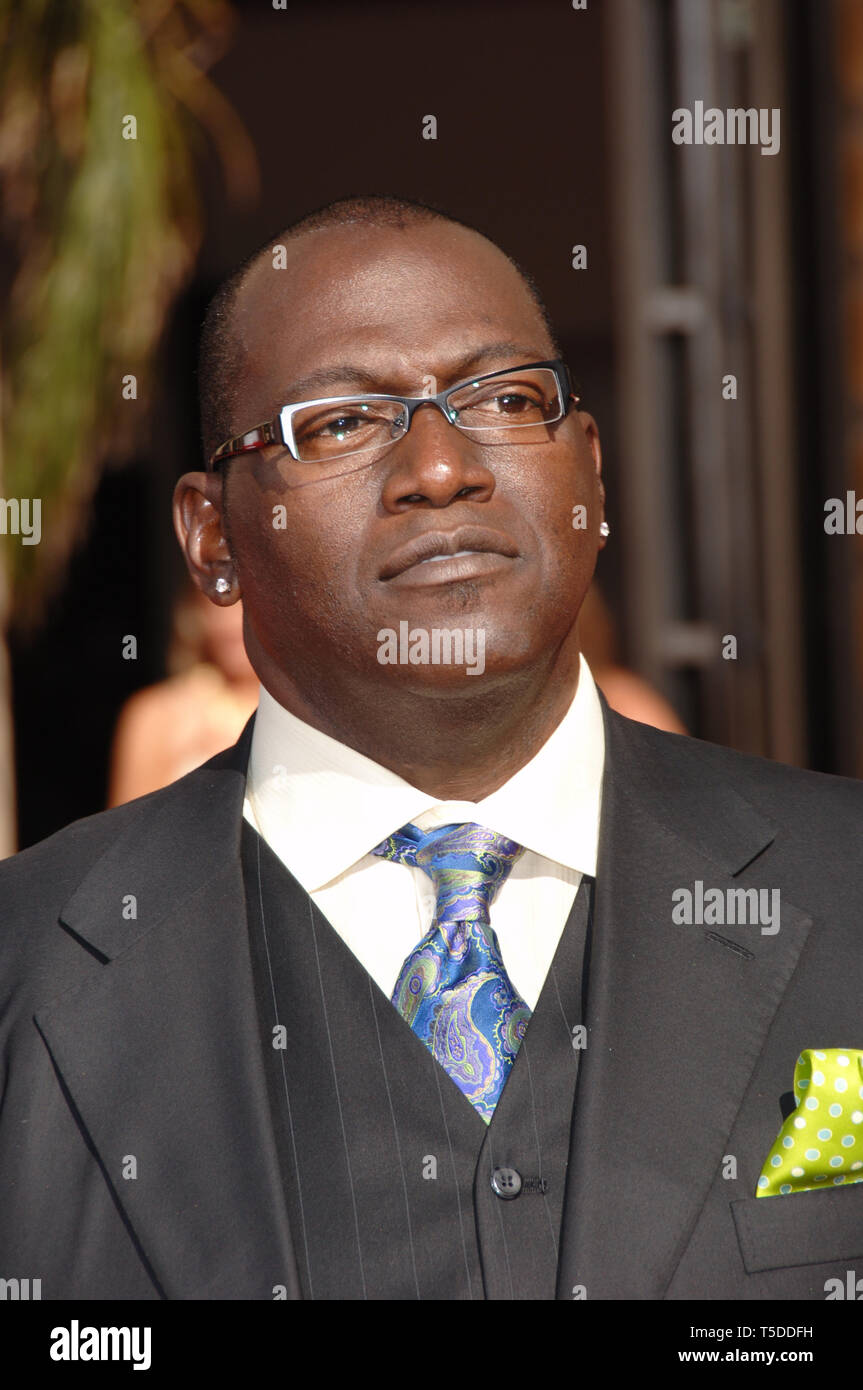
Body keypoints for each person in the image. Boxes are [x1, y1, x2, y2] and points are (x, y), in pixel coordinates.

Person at [2, 194, 862, 1302]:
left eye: (503, 398)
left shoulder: (843, 883)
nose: (442, 468)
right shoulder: (30, 972)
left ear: (589, 475)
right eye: (345, 422)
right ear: (213, 536)